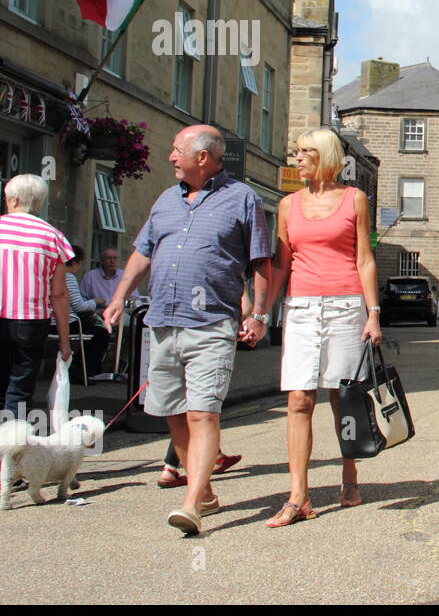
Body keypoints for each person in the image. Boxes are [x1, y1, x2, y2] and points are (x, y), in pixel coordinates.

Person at [104, 125, 271, 536]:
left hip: (212, 324)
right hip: (162, 322)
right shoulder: (165, 200)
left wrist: (259, 315)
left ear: (203, 157)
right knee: (173, 414)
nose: (170, 157)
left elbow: (260, 263)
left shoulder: (243, 199)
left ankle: (192, 503)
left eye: (177, 150)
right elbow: (142, 253)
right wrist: (119, 296)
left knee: (202, 412)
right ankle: (207, 492)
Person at [262, 127, 381, 527]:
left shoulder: (354, 200)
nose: (297, 158)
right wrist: (262, 312)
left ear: (325, 157)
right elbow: (281, 264)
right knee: (298, 399)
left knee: (344, 396)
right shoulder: (287, 205)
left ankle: (349, 475)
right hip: (301, 308)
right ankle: (299, 495)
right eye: (296, 151)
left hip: (347, 306)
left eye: (305, 152)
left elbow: (364, 259)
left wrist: (373, 312)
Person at [0, 174, 72, 419]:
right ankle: (11, 451)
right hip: (30, 322)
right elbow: (59, 294)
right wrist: (65, 340)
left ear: (12, 199)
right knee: (19, 391)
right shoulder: (53, 237)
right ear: (39, 202)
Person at [63, 246, 109, 378]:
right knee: (101, 334)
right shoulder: (69, 277)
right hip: (68, 321)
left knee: (93, 330)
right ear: (75, 262)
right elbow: (80, 306)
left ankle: (83, 367)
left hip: (51, 321)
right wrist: (97, 301)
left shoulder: (51, 274)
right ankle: (83, 370)